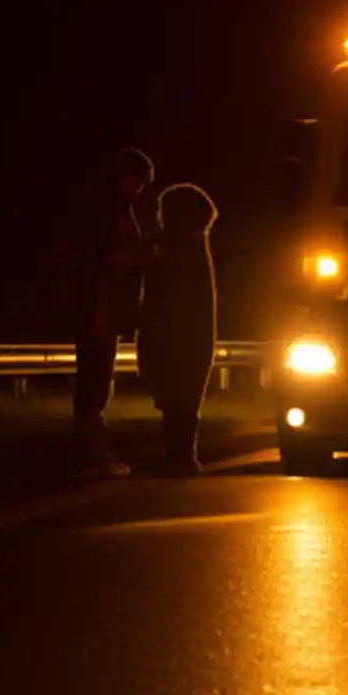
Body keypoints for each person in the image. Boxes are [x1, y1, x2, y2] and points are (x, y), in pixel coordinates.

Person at [72, 147, 155, 478]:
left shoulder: (113, 210)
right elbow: (103, 263)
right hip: (100, 312)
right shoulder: (109, 213)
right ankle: (93, 458)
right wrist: (144, 262)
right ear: (130, 179)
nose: (141, 190)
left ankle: (92, 455)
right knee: (95, 386)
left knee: (93, 385)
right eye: (141, 182)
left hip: (103, 311)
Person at [137, 183, 218, 476]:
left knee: (175, 395)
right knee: (185, 396)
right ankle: (182, 455)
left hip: (173, 330)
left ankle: (178, 456)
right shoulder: (196, 245)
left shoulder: (175, 248)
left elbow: (163, 289)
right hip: (194, 333)